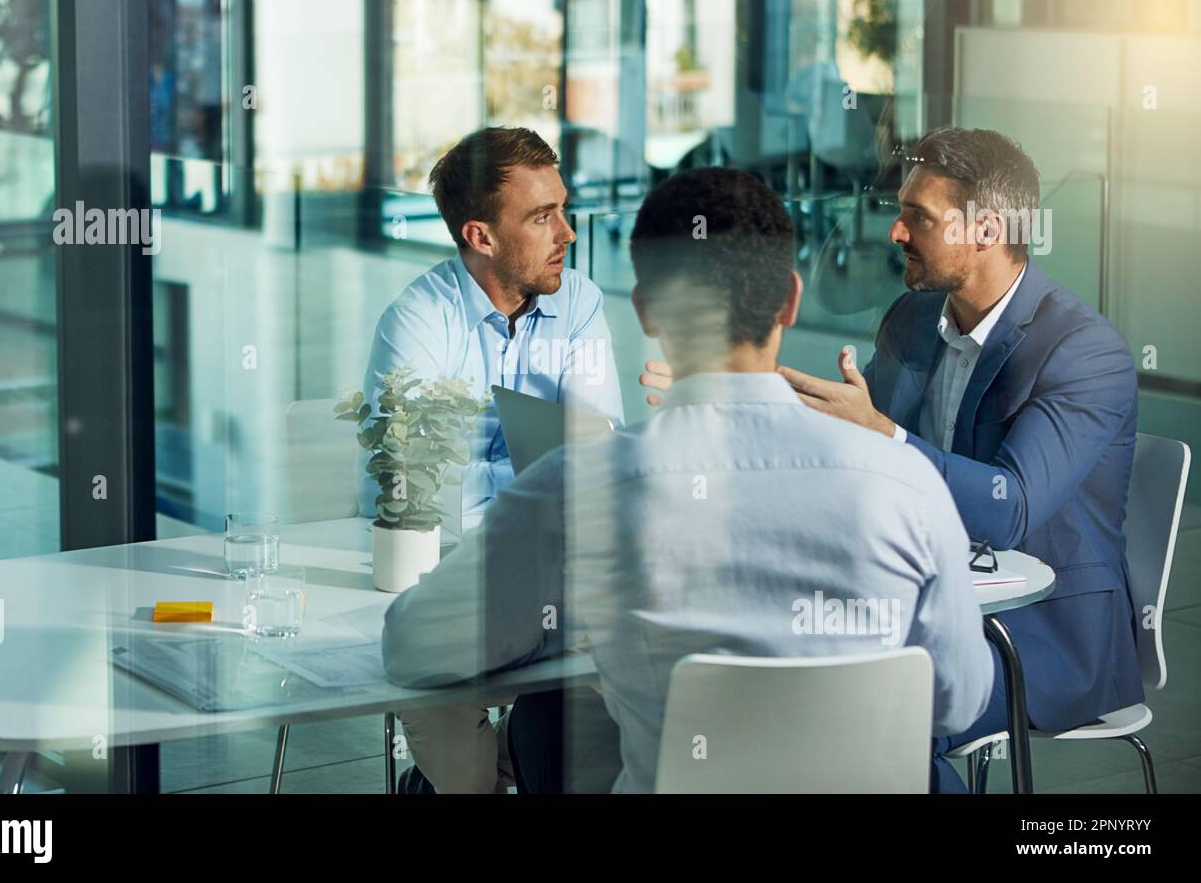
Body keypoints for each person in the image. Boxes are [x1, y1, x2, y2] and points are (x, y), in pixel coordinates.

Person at [381, 167, 994, 793]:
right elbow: (959, 703)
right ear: (789, 298)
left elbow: (413, 647)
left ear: (645, 311)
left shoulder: (578, 490)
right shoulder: (906, 483)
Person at [661, 126, 1139, 792]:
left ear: (987, 230)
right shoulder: (913, 321)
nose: (895, 232)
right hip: (918, 600)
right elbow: (861, 466)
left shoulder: (1084, 352)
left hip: (1041, 636)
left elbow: (1011, 508)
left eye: (919, 216)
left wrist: (883, 434)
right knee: (774, 680)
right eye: (899, 212)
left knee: (871, 714)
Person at [361, 126, 623, 794]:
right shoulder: (419, 319)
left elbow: (600, 452)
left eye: (564, 208)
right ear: (480, 237)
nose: (567, 233)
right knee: (468, 776)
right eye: (542, 217)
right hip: (447, 571)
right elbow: (408, 478)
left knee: (592, 731)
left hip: (555, 567)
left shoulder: (581, 303)